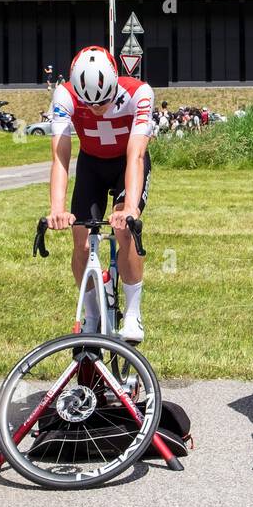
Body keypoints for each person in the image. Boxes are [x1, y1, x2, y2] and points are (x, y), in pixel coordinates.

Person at [46, 46, 154, 341]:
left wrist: (129, 207)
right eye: (90, 105)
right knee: (80, 242)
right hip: (91, 164)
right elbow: (60, 157)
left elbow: (136, 156)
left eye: (104, 103)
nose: (97, 110)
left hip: (126, 164)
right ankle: (92, 314)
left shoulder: (140, 93)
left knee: (124, 231)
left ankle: (133, 313)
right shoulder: (64, 95)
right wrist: (57, 208)